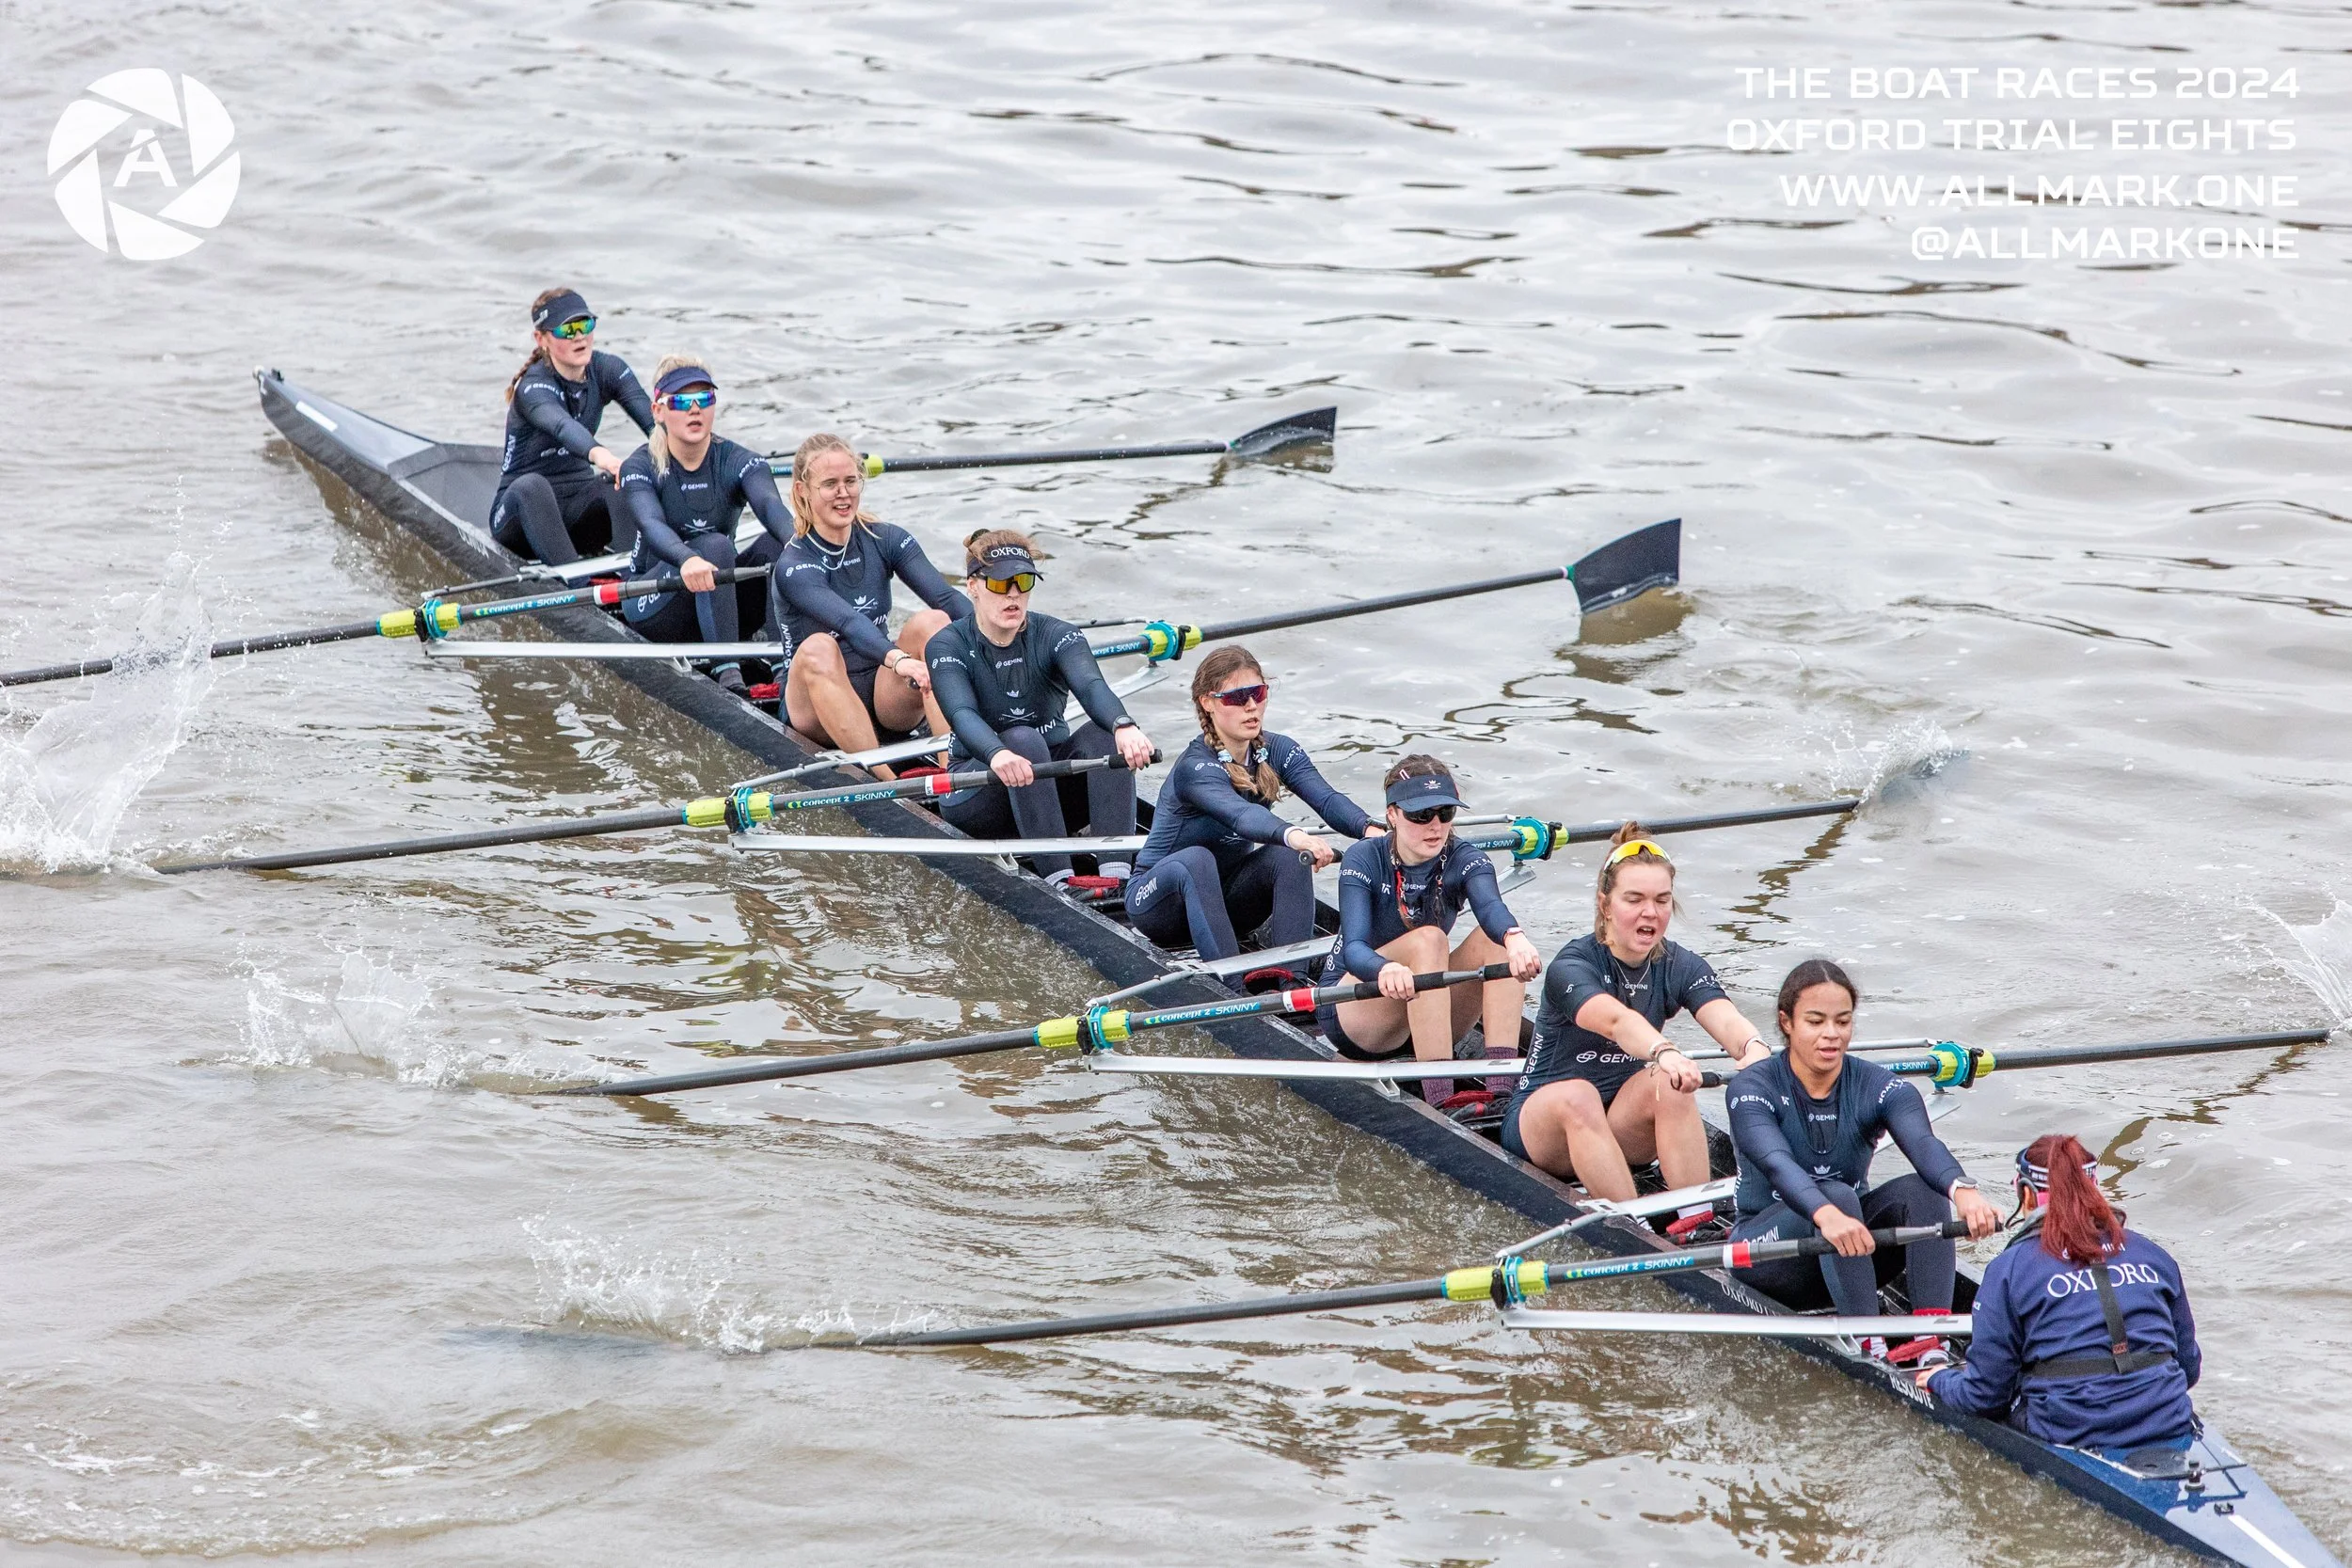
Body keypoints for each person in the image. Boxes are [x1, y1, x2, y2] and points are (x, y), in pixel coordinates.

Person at [1724, 958, 2002, 1363]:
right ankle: (1869, 1342)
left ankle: (1931, 1343)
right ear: (1787, 1022)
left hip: (1852, 1251)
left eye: (1842, 1021)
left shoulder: (1879, 1086)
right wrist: (1825, 1214)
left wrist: (1963, 1190)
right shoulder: (1752, 1088)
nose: (1831, 1034)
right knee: (1837, 1196)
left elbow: (1923, 1143)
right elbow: (1776, 1163)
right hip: (1767, 1255)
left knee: (1924, 1190)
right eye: (1815, 1021)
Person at [1501, 831, 1773, 1211]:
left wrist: (1753, 1047)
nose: (1651, 912)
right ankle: (1634, 1227)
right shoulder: (1572, 965)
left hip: (1619, 1126)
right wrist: (1664, 1051)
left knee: (1670, 1083)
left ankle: (1696, 1221)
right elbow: (1616, 1022)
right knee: (1581, 1095)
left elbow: (1727, 1019)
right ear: (1605, 905)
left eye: (1661, 900)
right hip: (1544, 1130)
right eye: (1635, 899)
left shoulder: (1680, 965)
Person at [1919, 1133, 2201, 1450]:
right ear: (2094, 1188)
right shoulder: (2154, 1256)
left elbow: (1984, 1397)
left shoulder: (2010, 1269)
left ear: (2027, 1194)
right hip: (2168, 1419)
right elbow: (2189, 1369)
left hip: (2071, 1430)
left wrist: (1940, 1379)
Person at [925, 531, 1154, 887]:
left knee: (1104, 736)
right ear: (973, 586)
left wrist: (1123, 725)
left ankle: (1117, 877)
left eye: (1024, 582)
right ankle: (1059, 881)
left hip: (1050, 788)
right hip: (979, 794)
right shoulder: (947, 645)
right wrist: (997, 752)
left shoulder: (1058, 635)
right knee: (1023, 740)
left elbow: (1092, 687)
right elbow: (961, 713)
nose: (1013, 594)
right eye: (1000, 584)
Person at [1315, 756, 1544, 1101]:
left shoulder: (1467, 859)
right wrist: (1385, 969)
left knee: (1497, 940)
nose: (1435, 826)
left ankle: (1502, 1095)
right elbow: (1355, 950)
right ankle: (1441, 1101)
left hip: (1423, 1003)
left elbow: (1491, 908)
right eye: (1421, 815)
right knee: (1430, 939)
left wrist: (1516, 939)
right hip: (1354, 1010)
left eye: (1445, 813)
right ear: (1392, 814)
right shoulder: (1363, 857)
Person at [1128, 646, 1375, 960]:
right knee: (1197, 860)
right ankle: (1231, 983)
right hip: (1158, 907)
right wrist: (1297, 835)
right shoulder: (1194, 768)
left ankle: (1291, 979)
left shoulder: (1278, 749)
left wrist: (1371, 830)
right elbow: (1241, 815)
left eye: (1258, 693)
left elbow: (1326, 799)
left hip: (1227, 902)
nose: (1251, 706)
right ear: (1207, 703)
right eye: (1236, 697)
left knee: (1290, 856)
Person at [771, 432, 969, 777]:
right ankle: (888, 787)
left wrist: (1016, 637)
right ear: (803, 490)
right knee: (819, 647)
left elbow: (947, 598)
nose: (843, 493)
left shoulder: (885, 538)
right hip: (815, 710)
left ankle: (955, 774)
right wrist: (900, 660)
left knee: (934, 622)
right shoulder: (794, 564)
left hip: (883, 696)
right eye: (830, 484)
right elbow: (850, 623)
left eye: (851, 481)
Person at [612, 359, 790, 696]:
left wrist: (807, 545)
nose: (694, 409)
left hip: (717, 595)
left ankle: (785, 670)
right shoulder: (640, 466)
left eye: (704, 399)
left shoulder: (739, 461)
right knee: (715, 547)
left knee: (778, 546)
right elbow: (650, 523)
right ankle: (728, 675)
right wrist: (686, 558)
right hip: (653, 601)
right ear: (658, 410)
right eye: (681, 401)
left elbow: (771, 508)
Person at [491, 287, 653, 566]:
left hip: (577, 515)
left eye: (585, 325)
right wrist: (603, 457)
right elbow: (562, 427)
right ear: (541, 339)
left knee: (628, 473)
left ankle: (636, 577)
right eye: (567, 330)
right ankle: (577, 585)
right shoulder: (532, 387)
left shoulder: (608, 369)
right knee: (532, 486)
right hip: (519, 518)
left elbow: (656, 426)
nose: (579, 336)